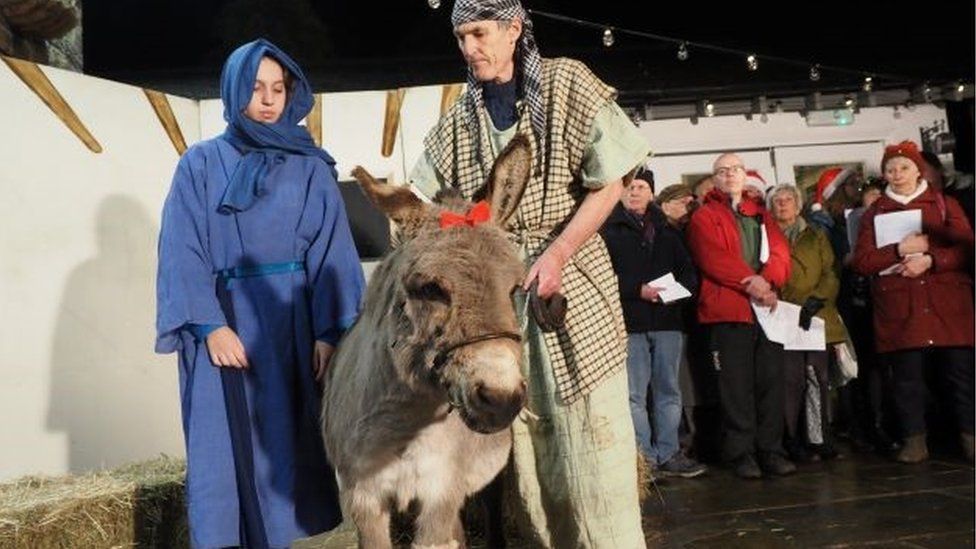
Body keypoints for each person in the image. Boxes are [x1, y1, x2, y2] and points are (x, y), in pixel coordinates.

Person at [409, 0, 650, 545]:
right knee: (523, 440)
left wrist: (558, 253)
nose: (470, 48)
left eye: (480, 33)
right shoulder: (458, 123)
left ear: (514, 29)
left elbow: (610, 182)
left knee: (591, 433)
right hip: (500, 297)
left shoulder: (568, 84)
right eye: (461, 38)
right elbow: (433, 205)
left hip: (572, 277)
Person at [155, 39, 365, 548]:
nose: (268, 100)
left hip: (292, 327)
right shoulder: (201, 164)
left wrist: (329, 332)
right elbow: (182, 249)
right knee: (223, 451)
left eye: (278, 88)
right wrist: (210, 326)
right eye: (255, 88)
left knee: (285, 451)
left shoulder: (311, 167)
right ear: (234, 90)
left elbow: (332, 253)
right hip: (227, 328)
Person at [852, 140, 975, 463]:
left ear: (918, 170)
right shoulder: (874, 213)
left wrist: (932, 259)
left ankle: (970, 439)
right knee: (907, 380)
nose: (897, 174)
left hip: (947, 305)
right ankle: (914, 440)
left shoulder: (944, 204)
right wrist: (898, 251)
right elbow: (862, 261)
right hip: (900, 307)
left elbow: (967, 248)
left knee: (960, 376)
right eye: (890, 169)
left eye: (904, 167)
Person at [686, 153, 796, 479]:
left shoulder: (761, 214)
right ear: (715, 179)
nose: (730, 175)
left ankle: (771, 450)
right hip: (729, 312)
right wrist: (752, 283)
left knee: (770, 383)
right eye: (722, 171)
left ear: (744, 174)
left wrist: (769, 282)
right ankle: (740, 453)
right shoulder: (704, 217)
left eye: (735, 169)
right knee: (735, 388)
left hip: (766, 310)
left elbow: (780, 254)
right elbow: (712, 258)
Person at [601, 172, 706, 478]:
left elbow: (689, 275)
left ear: (652, 193)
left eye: (641, 187)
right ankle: (645, 459)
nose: (635, 192)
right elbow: (603, 278)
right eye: (629, 187)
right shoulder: (607, 232)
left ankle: (669, 452)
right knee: (634, 394)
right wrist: (637, 290)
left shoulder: (668, 233)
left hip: (667, 323)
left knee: (668, 390)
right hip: (630, 324)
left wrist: (672, 295)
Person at [768, 184, 846, 461]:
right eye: (777, 200)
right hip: (781, 315)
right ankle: (791, 439)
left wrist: (818, 299)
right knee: (790, 380)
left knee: (817, 377)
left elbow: (831, 272)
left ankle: (818, 437)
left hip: (815, 316)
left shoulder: (816, 235)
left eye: (788, 199)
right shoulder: (766, 235)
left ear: (798, 204)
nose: (783, 204)